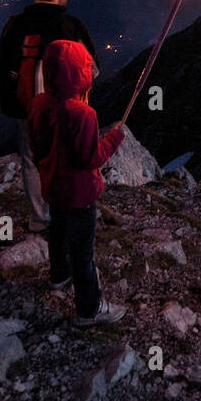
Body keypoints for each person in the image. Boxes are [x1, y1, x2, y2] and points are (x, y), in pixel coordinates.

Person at [27, 39, 126, 327]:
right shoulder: (83, 114)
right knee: (84, 251)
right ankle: (89, 309)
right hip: (80, 194)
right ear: (79, 73)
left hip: (53, 187)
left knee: (57, 230)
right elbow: (91, 158)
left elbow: (37, 147)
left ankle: (59, 275)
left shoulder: (38, 104)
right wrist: (114, 138)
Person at [0, 0, 98, 233]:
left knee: (32, 160)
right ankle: (70, 213)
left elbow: (3, 66)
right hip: (67, 110)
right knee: (67, 159)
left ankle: (40, 219)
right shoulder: (71, 26)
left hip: (28, 109)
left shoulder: (15, 25)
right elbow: (92, 68)